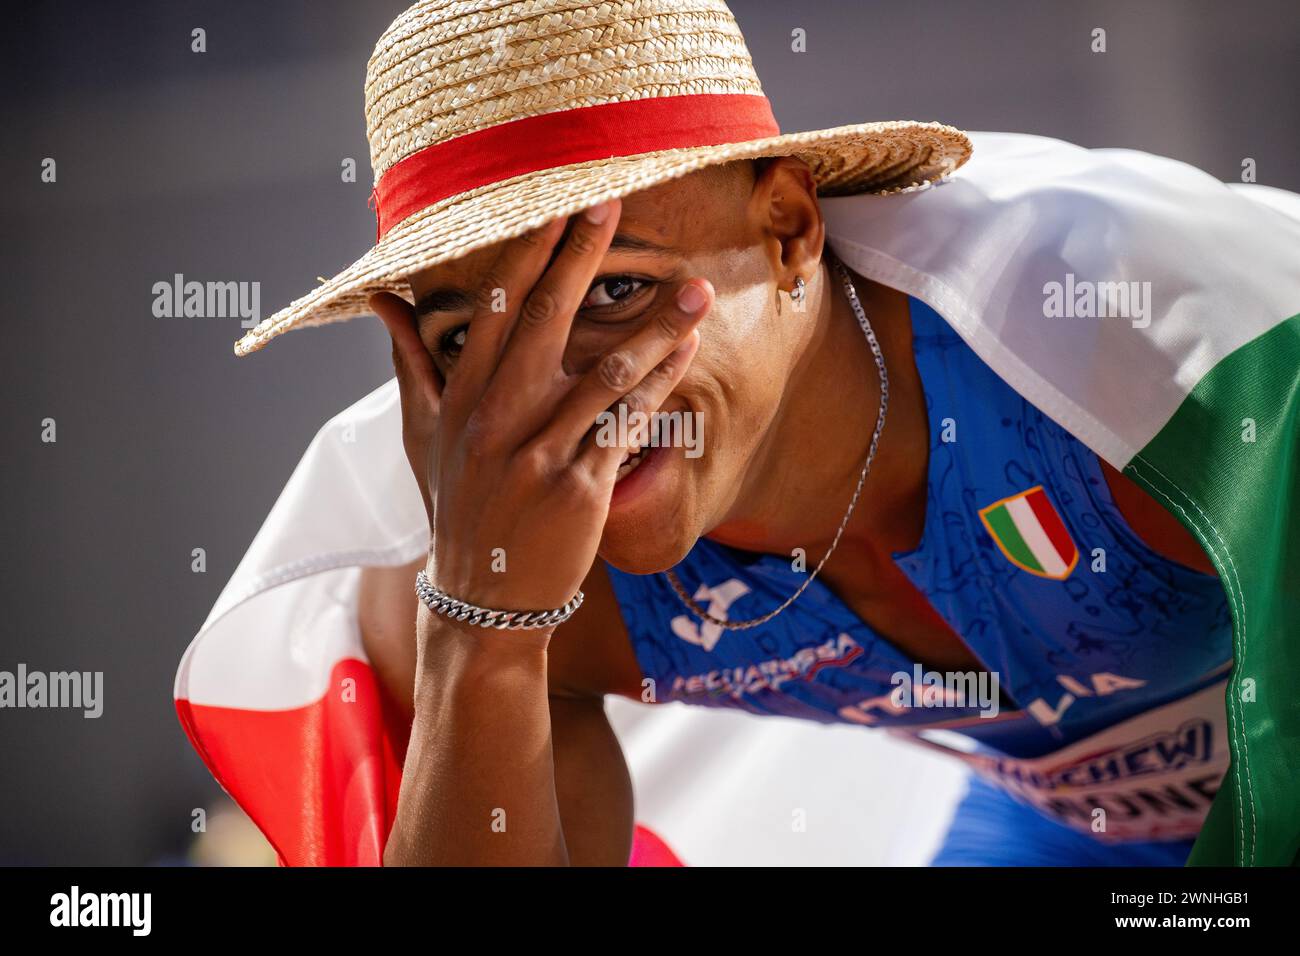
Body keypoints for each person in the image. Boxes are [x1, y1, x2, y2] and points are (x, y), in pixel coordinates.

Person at [175, 0, 1300, 867]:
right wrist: (487, 629)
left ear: (789, 230)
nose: (560, 400)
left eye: (613, 291)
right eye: (469, 342)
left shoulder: (1148, 359)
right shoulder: (479, 564)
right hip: (1057, 822)